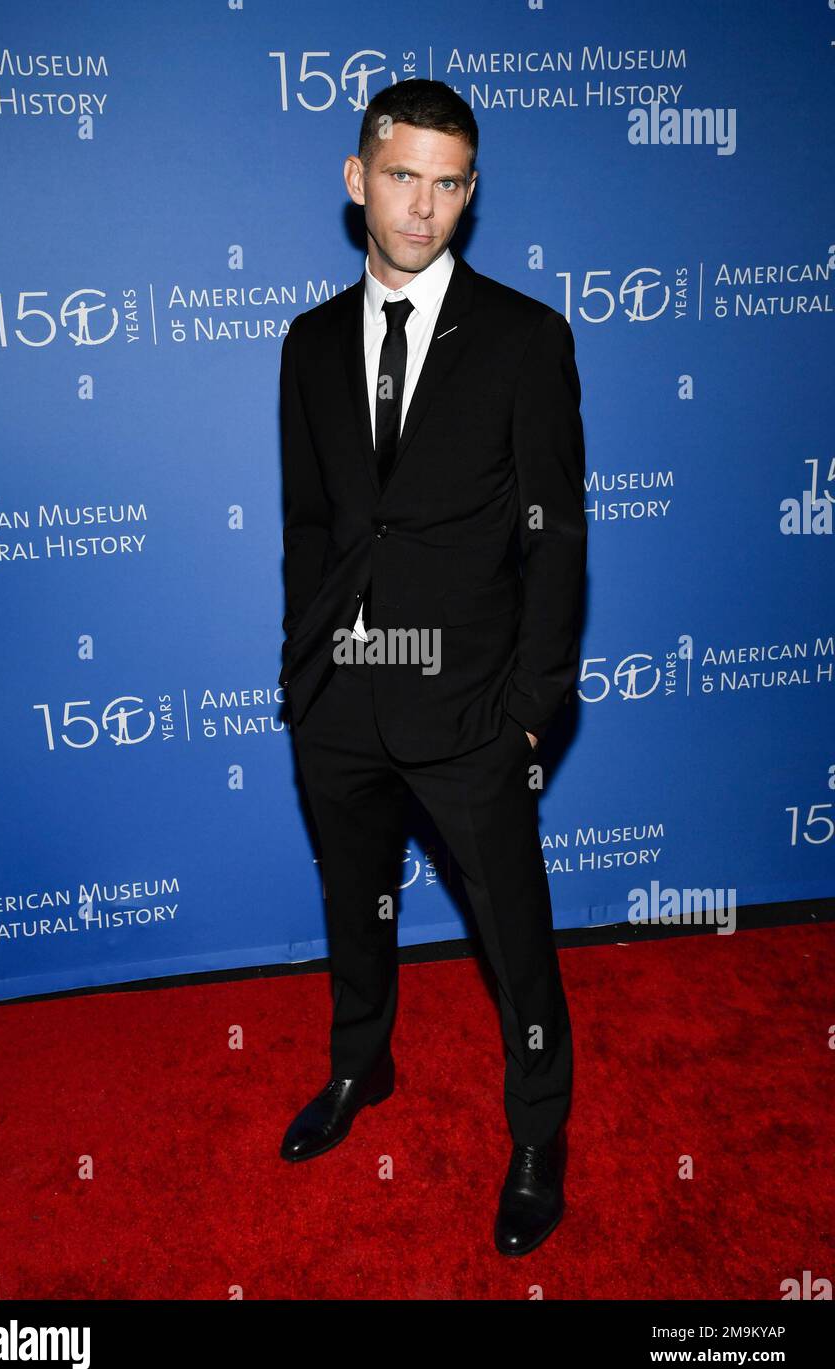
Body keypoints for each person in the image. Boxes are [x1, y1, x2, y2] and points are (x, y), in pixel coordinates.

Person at [277, 78, 587, 1256]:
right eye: (401, 176)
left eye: (448, 182)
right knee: (357, 911)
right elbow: (312, 522)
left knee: (513, 937)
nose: (423, 207)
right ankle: (363, 1068)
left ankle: (537, 1130)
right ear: (357, 179)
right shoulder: (307, 344)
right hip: (339, 695)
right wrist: (304, 669)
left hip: (470, 708)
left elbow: (556, 541)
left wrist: (528, 711)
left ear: (469, 190)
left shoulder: (522, 339)